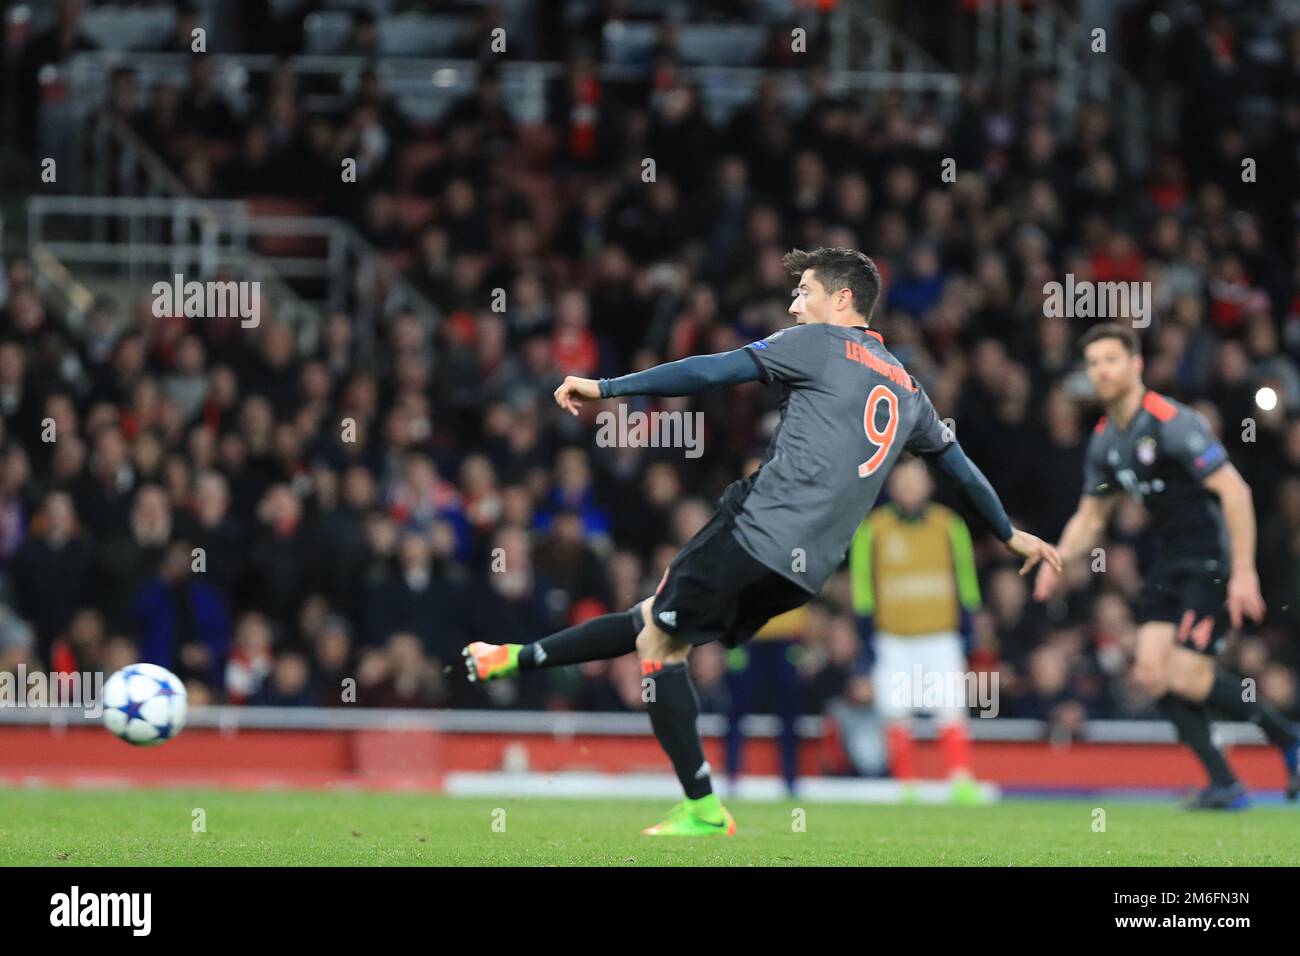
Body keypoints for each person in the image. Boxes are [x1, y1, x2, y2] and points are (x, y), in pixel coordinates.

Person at [464, 247, 1061, 835]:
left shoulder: (820, 344)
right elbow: (960, 470)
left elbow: (711, 370)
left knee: (659, 644)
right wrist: (1008, 534)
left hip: (756, 531)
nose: (795, 306)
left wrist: (608, 387)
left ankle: (700, 806)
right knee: (656, 623)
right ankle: (513, 658)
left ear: (842, 298)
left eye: (804, 292)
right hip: (802, 574)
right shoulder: (909, 389)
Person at [1033, 322, 1300, 809]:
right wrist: (1057, 557)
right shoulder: (1104, 440)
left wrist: (1243, 571)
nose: (1102, 371)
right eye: (1093, 363)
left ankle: (1288, 740)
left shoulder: (1172, 421)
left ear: (1135, 365)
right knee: (1153, 673)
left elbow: (1235, 491)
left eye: (1111, 359)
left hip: (1210, 562)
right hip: (1169, 564)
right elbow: (1091, 517)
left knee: (1187, 676)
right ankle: (1226, 784)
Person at [850, 457, 984, 803]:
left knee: (951, 708)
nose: (909, 488)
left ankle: (959, 779)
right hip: (892, 637)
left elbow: (966, 582)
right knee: (895, 711)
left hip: (940, 636)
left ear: (929, 485)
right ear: (892, 487)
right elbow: (863, 588)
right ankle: (906, 783)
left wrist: (969, 629)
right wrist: (866, 641)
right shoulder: (872, 529)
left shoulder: (949, 525)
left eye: (915, 481)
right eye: (902, 481)